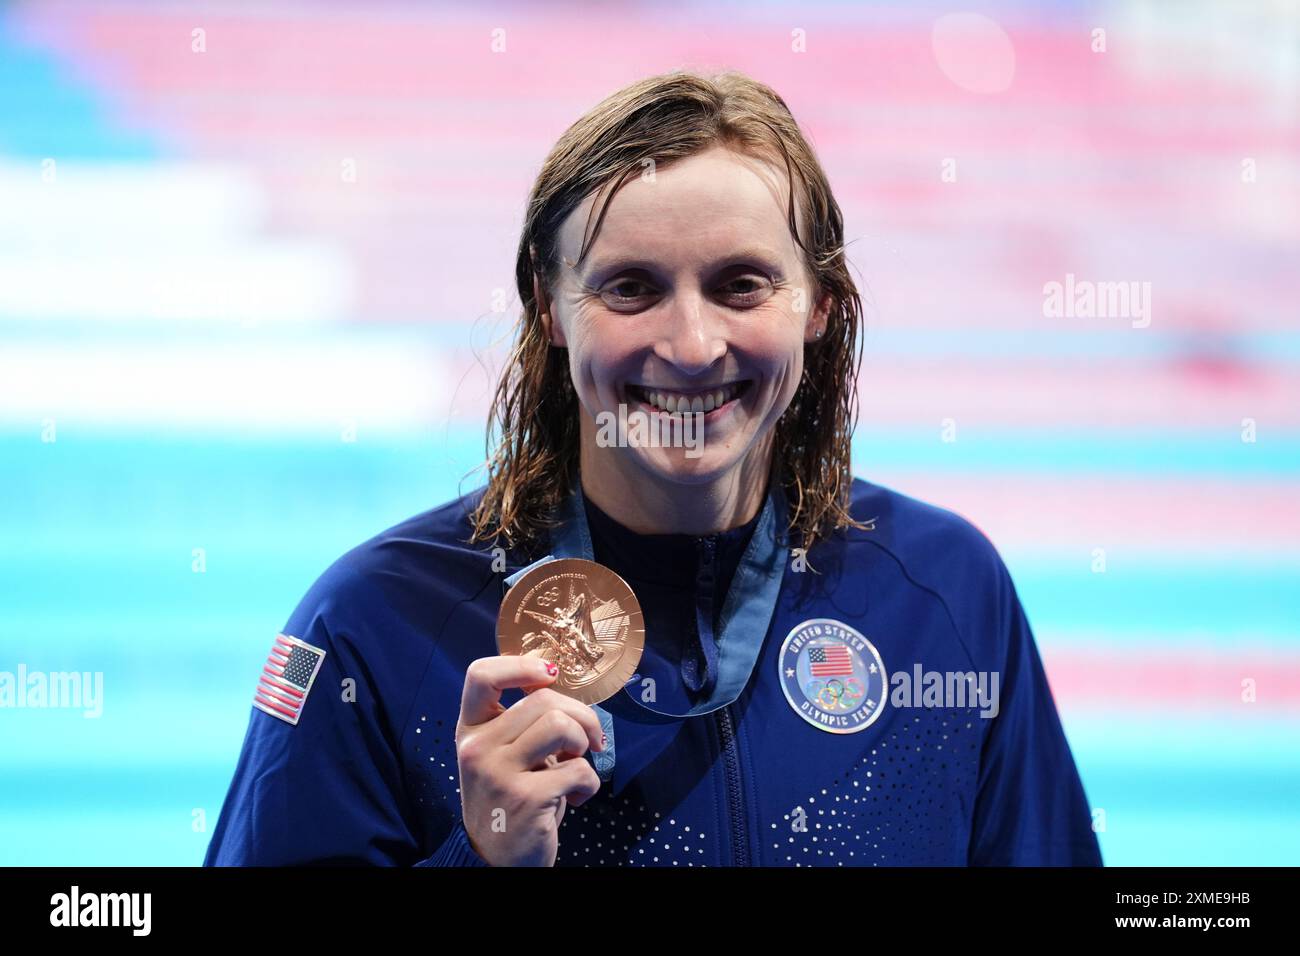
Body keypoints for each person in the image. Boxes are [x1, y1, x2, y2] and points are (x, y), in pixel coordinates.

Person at [203, 69, 1102, 867]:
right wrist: (480, 859)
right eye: (631, 287)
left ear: (819, 306)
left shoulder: (943, 593)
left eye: (741, 284)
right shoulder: (376, 622)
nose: (691, 344)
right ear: (549, 309)